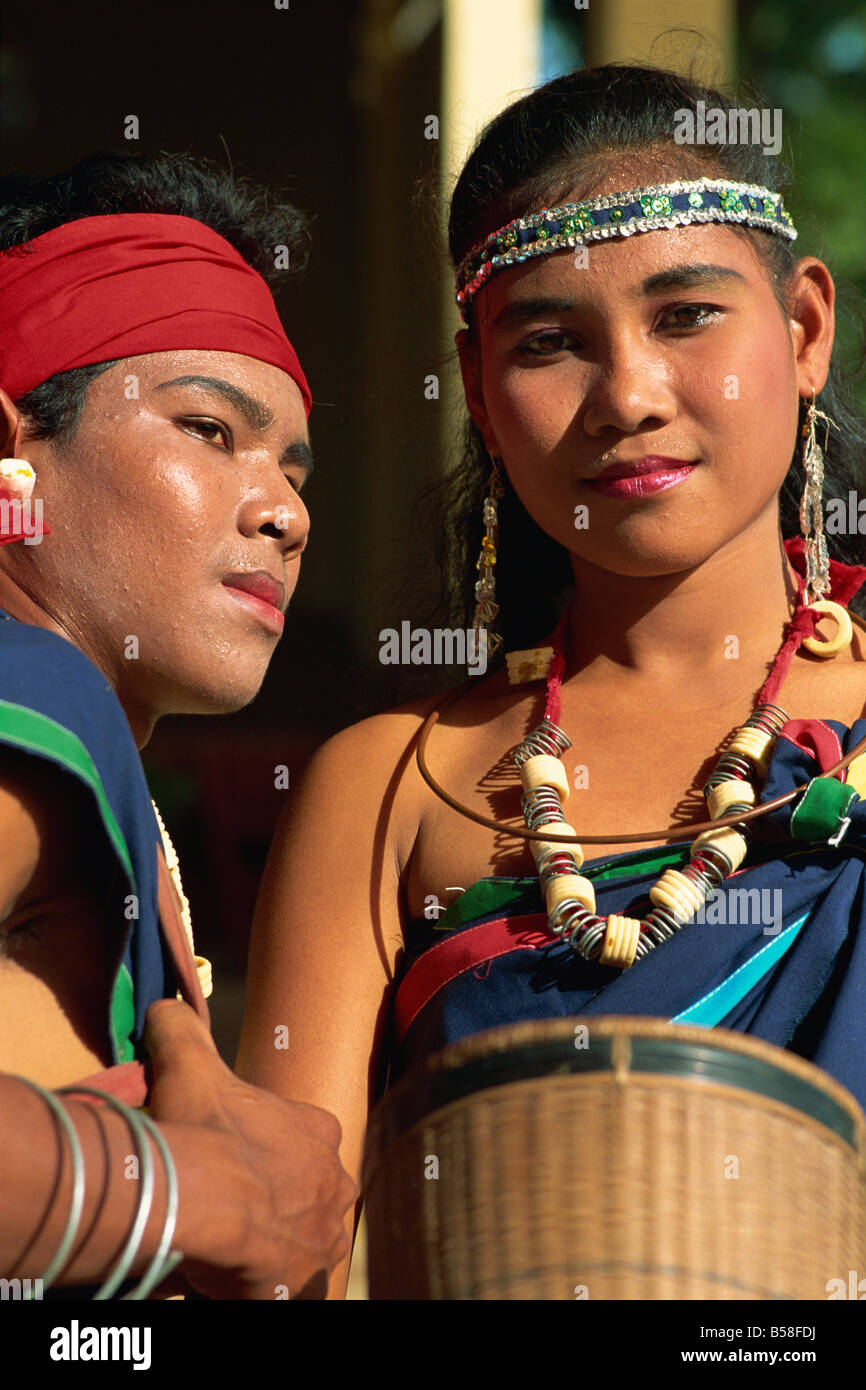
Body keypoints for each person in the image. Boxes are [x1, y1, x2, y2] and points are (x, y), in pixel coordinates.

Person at [235, 63, 866, 1298]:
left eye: (684, 316)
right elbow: (275, 1261)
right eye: (548, 342)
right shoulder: (387, 789)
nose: (627, 396)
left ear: (799, 331)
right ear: (477, 387)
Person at [0, 151, 356, 1300]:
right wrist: (185, 1196)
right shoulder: (33, 692)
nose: (284, 508)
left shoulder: (86, 748)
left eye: (294, 467)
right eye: (208, 429)